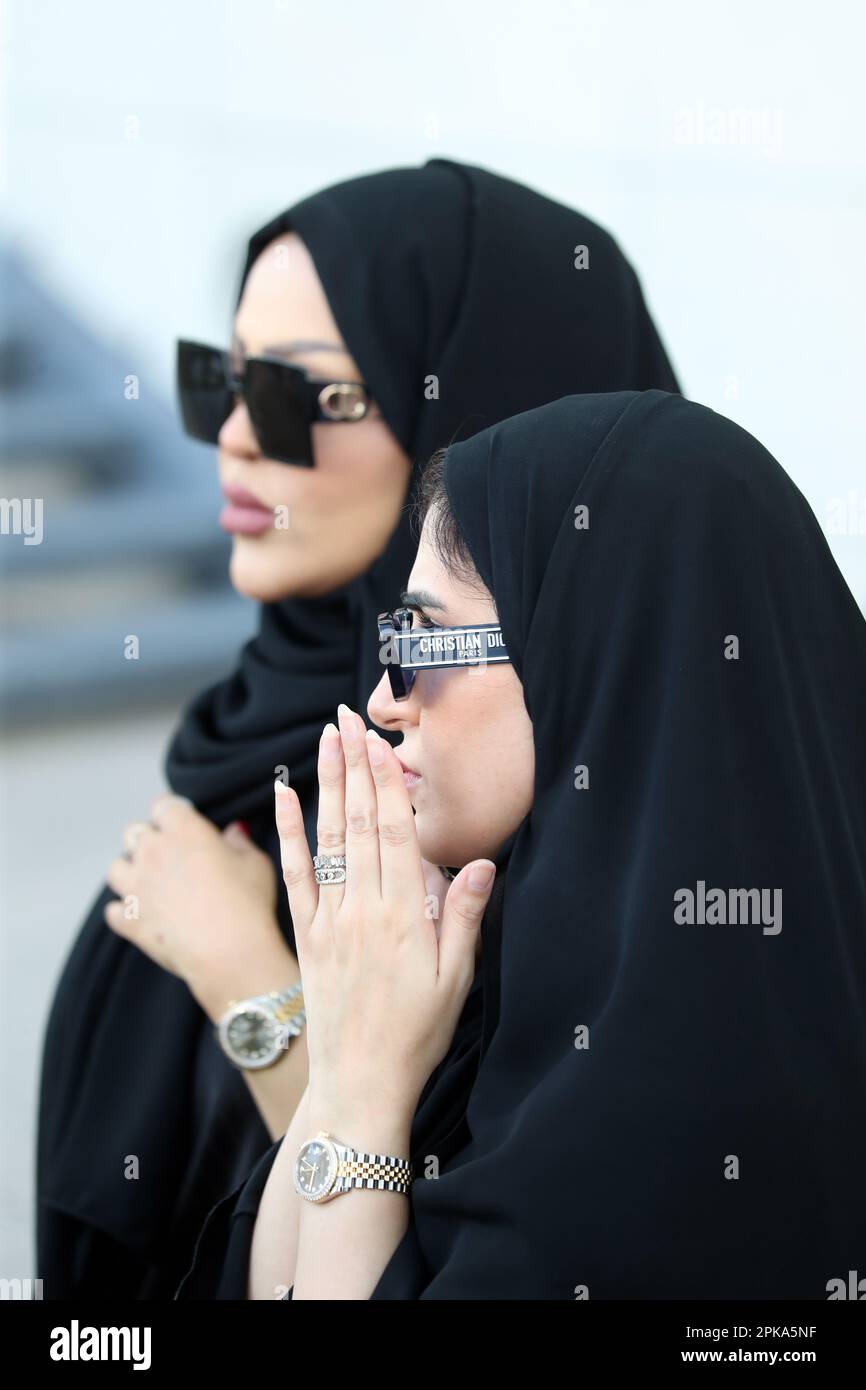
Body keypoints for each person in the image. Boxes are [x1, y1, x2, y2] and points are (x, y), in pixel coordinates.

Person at [35, 160, 680, 1299]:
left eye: (300, 397)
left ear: (475, 412)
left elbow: (454, 1254)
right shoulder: (249, 733)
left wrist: (257, 994)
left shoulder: (543, 814)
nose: (234, 436)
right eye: (220, 383)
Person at [177, 389, 866, 1299]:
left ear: (586, 656)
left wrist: (367, 1078)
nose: (385, 698)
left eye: (421, 639)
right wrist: (350, 1043)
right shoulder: (511, 975)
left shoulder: (668, 1125)